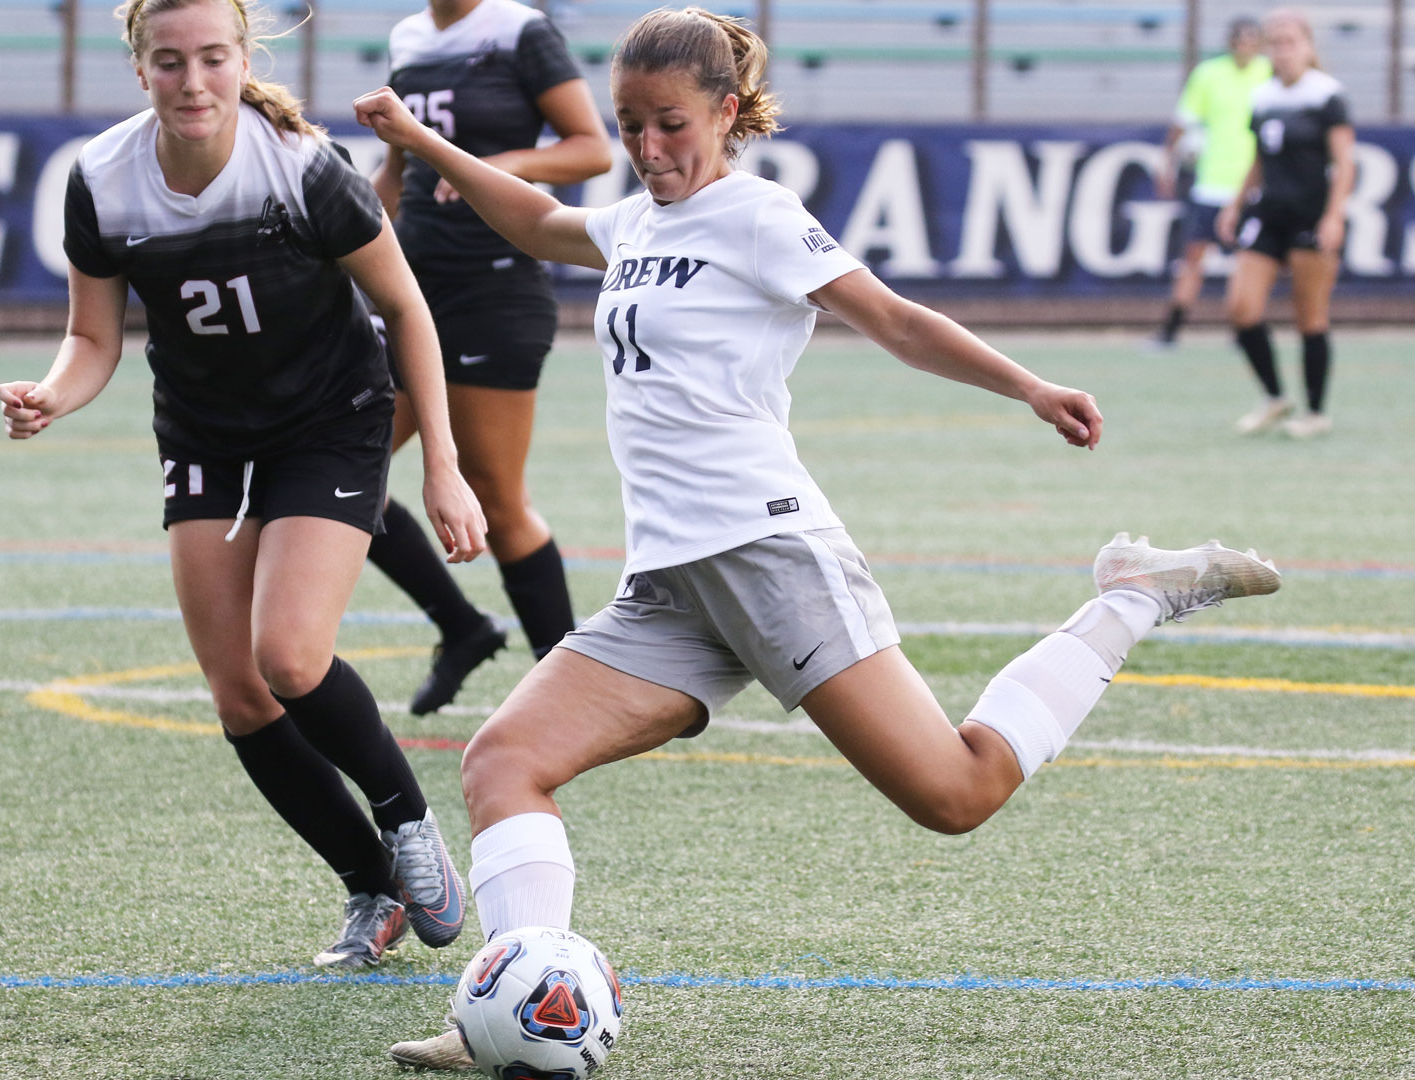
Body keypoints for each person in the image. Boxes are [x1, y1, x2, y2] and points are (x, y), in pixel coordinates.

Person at [354, 8, 1282, 1067]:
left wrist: (1028, 386)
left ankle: (1131, 595)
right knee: (504, 762)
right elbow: (536, 220)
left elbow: (893, 319)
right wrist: (422, 144)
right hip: (669, 584)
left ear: (728, 113)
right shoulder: (635, 224)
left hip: (767, 555)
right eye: (630, 125)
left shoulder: (756, 214)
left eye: (670, 124)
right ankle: (512, 1004)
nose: (648, 148)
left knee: (956, 793)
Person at [0, 0, 483, 970]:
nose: (193, 82)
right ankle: (371, 888)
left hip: (330, 422)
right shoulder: (102, 178)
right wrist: (52, 394)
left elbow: (405, 306)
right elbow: (92, 337)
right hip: (207, 438)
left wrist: (442, 464)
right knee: (241, 697)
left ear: (243, 58)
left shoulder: (300, 168)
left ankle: (407, 821)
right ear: (139, 67)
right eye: (170, 62)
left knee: (289, 657)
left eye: (213, 59)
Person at [364, 0, 613, 715]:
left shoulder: (520, 30)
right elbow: (398, 169)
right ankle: (463, 626)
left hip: (494, 289)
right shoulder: (408, 37)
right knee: (341, 474)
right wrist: (337, 237)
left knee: (497, 501)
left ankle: (575, 695)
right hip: (411, 291)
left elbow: (592, 149)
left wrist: (502, 164)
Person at [1217, 8, 1355, 438]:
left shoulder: (1326, 95)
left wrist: (1334, 215)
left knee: (1309, 316)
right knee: (1241, 308)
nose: (1282, 51)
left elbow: (1344, 163)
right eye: (1274, 44)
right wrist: (1235, 205)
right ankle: (1275, 397)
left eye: (1290, 42)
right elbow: (1259, 160)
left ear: (1308, 46)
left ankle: (1315, 412)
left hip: (1310, 214)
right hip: (1268, 214)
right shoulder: (1263, 96)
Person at [1151, 17, 1269, 349]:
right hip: (1212, 182)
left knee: (1249, 262)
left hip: (1252, 185)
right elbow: (1183, 122)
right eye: (1240, 39)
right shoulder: (1208, 74)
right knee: (1193, 256)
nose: (1245, 46)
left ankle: (1244, 330)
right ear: (1230, 42)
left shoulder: (1269, 73)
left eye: (1252, 40)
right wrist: (1166, 163)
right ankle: (1171, 329)